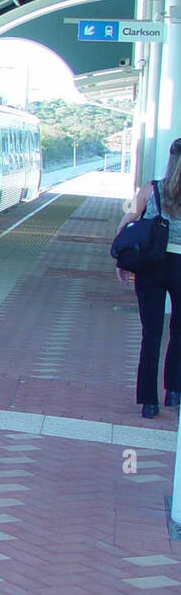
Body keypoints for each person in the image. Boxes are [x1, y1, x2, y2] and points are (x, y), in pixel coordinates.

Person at [116, 138, 181, 418]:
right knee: (179, 332)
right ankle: (174, 391)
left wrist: (121, 258)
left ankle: (148, 402)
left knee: (151, 334)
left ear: (170, 160)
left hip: (151, 267)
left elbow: (129, 220)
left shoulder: (149, 190)